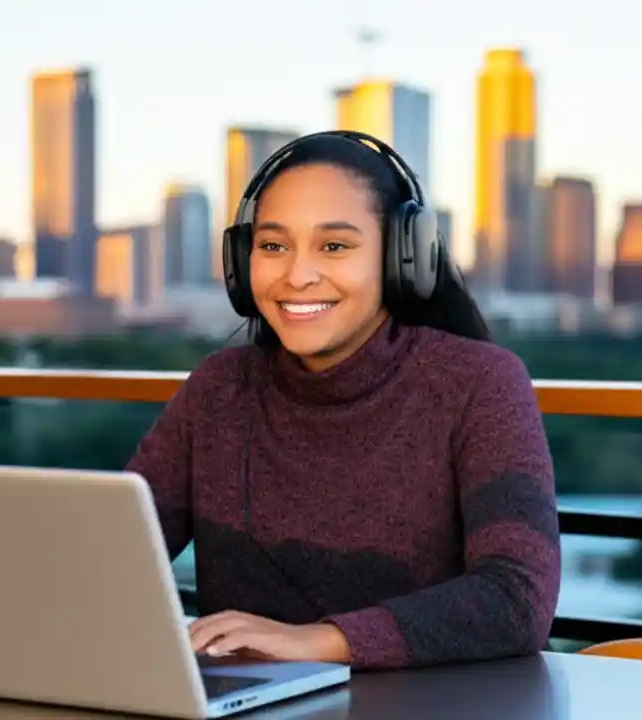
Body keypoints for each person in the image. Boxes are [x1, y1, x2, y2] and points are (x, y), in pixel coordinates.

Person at [125, 130, 560, 671]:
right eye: (273, 246)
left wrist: (319, 642)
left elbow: (518, 597)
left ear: (404, 257)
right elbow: (118, 555)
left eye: (334, 246)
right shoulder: (219, 390)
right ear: (242, 260)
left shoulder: (480, 382)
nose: (298, 275)